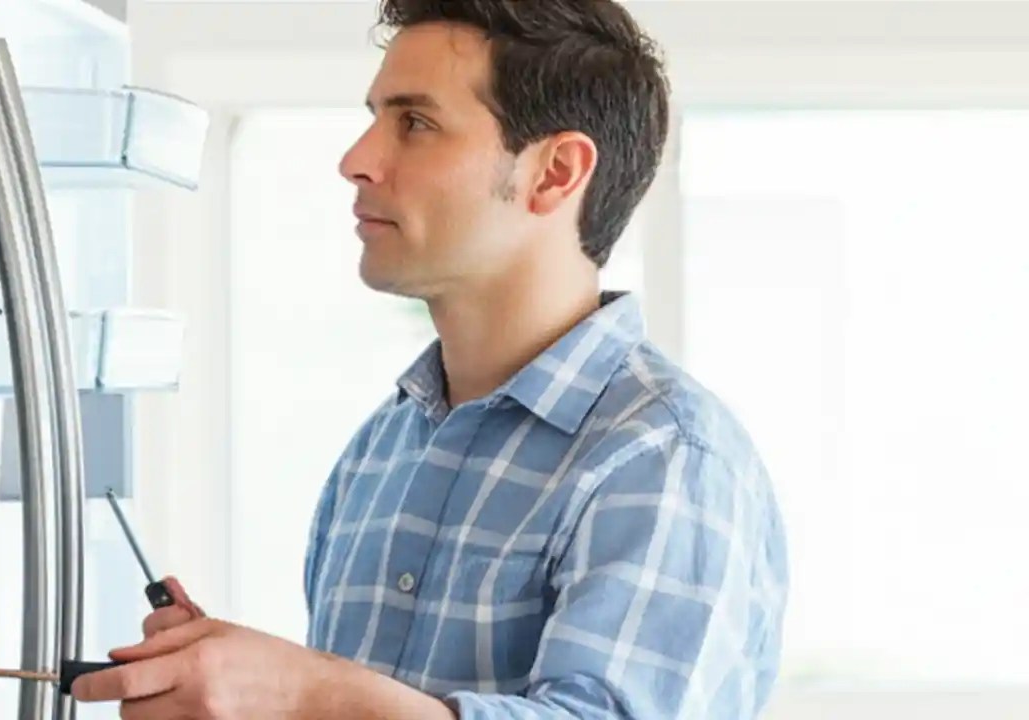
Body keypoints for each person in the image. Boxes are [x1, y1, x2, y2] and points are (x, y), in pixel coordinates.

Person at [72, 1, 788, 717]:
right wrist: (241, 696)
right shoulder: (380, 452)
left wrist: (305, 693)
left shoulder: (664, 458)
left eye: (415, 124)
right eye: (375, 117)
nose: (356, 161)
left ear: (555, 172)